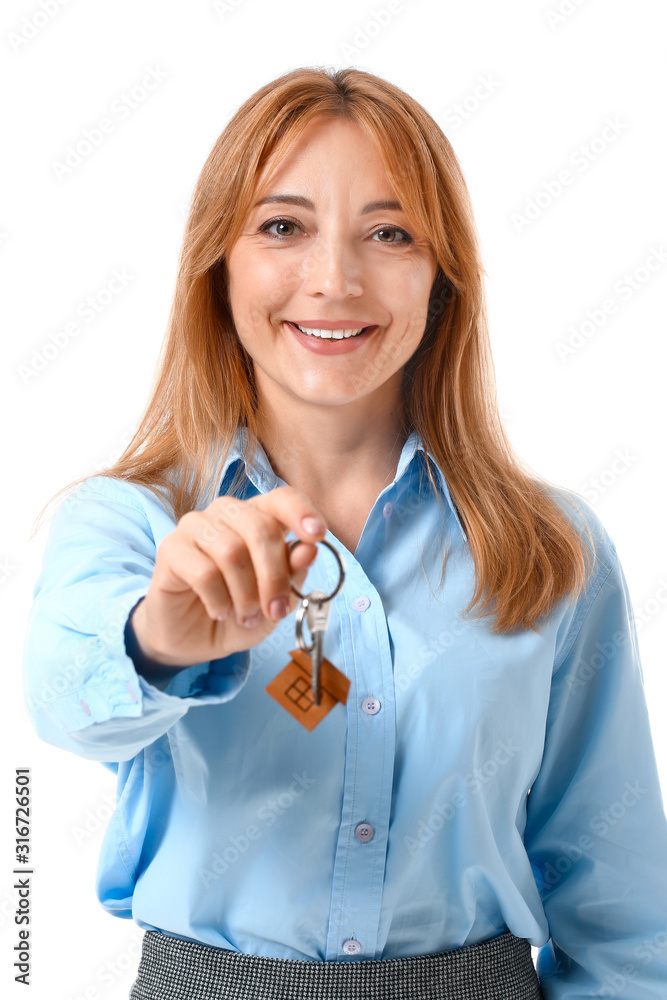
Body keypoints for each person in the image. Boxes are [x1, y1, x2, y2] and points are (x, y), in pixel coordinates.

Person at [22, 66, 667, 1000]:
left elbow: (619, 904)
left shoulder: (551, 549)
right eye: (282, 227)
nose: (333, 279)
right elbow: (63, 699)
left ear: (442, 276)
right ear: (220, 263)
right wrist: (158, 640)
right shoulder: (130, 523)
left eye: (390, 233)